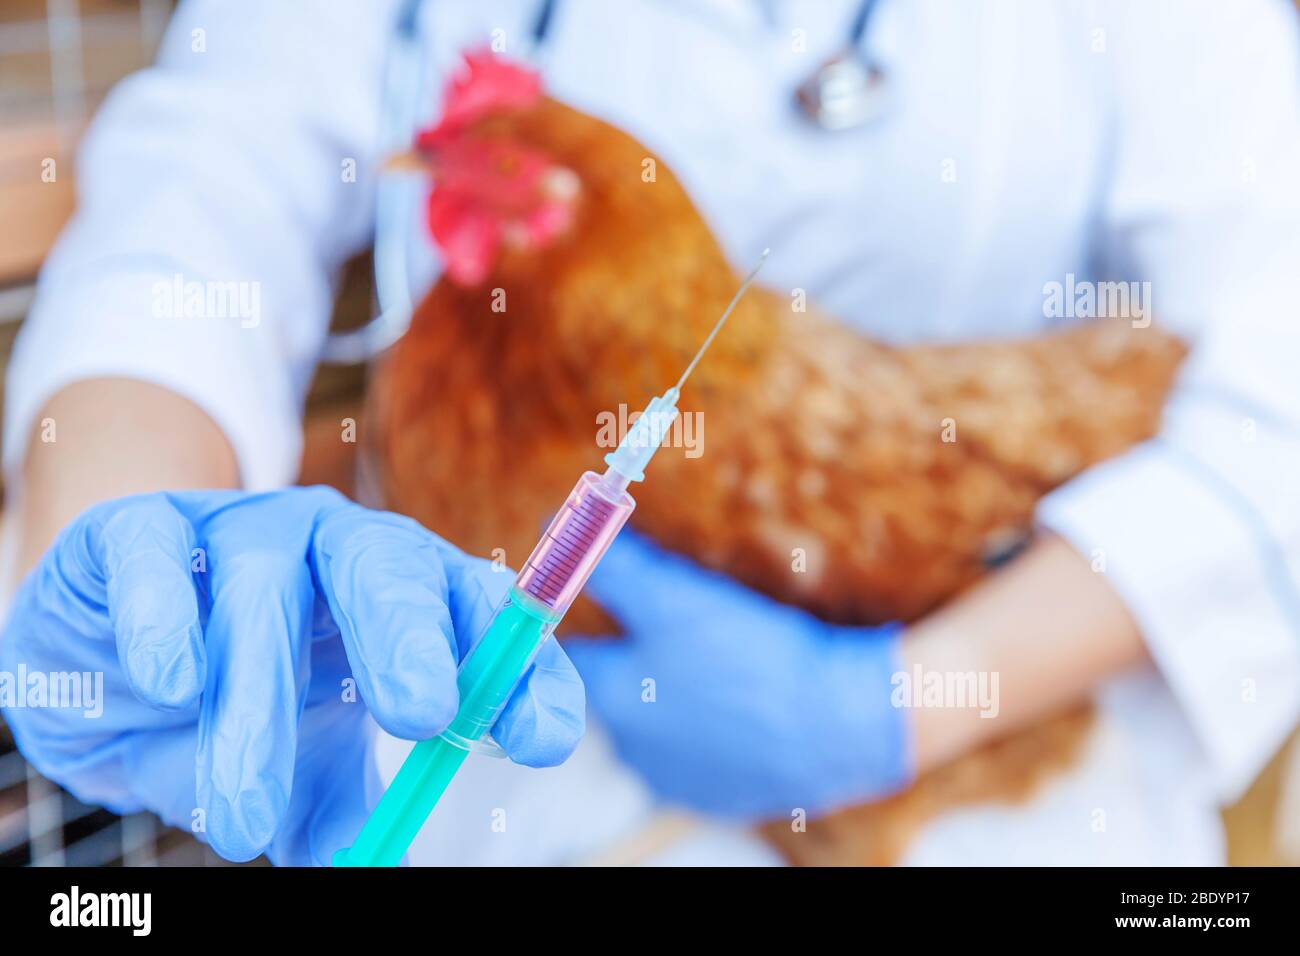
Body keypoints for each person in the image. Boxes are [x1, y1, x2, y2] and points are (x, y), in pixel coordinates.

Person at [4, 0, 1300, 865]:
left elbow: (1279, 344)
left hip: (998, 798)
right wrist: (133, 539)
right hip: (509, 814)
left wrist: (901, 705)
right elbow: (196, 212)